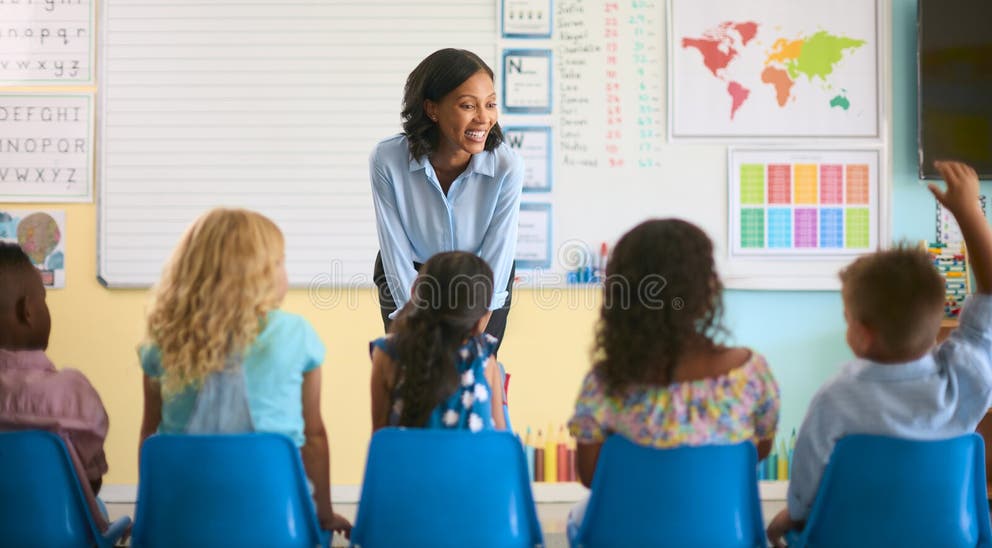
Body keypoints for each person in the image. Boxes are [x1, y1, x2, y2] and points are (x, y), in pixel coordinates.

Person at [766, 161, 992, 547]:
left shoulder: (834, 398)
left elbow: (803, 501)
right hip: (945, 539)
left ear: (863, 335)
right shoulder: (963, 380)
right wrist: (969, 211)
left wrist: (788, 517)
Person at [138, 208, 350, 536]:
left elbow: (150, 436)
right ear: (258, 275)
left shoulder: (164, 342)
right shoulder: (296, 335)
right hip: (275, 522)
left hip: (180, 522)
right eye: (279, 262)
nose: (285, 272)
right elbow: (314, 438)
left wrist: (149, 515)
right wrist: (324, 515)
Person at [567, 219, 780, 526]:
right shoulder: (750, 373)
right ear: (707, 289)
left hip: (630, 532)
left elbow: (591, 476)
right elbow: (757, 452)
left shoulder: (604, 382)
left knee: (577, 517)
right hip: (720, 531)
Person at [370, 48, 524, 354]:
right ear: (432, 109)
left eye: (490, 104)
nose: (484, 118)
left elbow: (499, 252)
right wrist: (417, 328)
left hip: (481, 276)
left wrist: (475, 334)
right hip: (411, 269)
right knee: (415, 367)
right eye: (468, 105)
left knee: (473, 368)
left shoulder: (507, 166)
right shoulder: (387, 160)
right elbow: (394, 249)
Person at [0, 242, 111, 529]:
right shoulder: (72, 394)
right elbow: (92, 482)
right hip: (59, 534)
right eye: (44, 299)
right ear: (27, 311)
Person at [369, 251, 507, 432]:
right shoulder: (484, 360)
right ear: (480, 312)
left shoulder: (387, 353)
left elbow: (380, 440)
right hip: (471, 453)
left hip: (406, 452)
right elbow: (500, 440)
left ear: (414, 292)